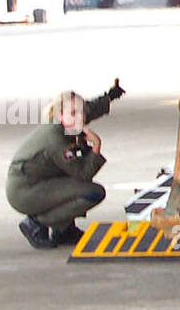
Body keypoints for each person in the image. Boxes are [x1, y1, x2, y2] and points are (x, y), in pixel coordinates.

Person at [7, 81, 125, 248]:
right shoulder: (56, 139)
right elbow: (83, 173)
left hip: (38, 182)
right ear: (60, 115)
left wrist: (109, 97)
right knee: (92, 192)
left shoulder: (66, 123)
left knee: (69, 179)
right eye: (74, 113)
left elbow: (89, 108)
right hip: (25, 191)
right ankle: (36, 223)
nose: (81, 118)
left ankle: (63, 229)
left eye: (82, 113)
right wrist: (96, 147)